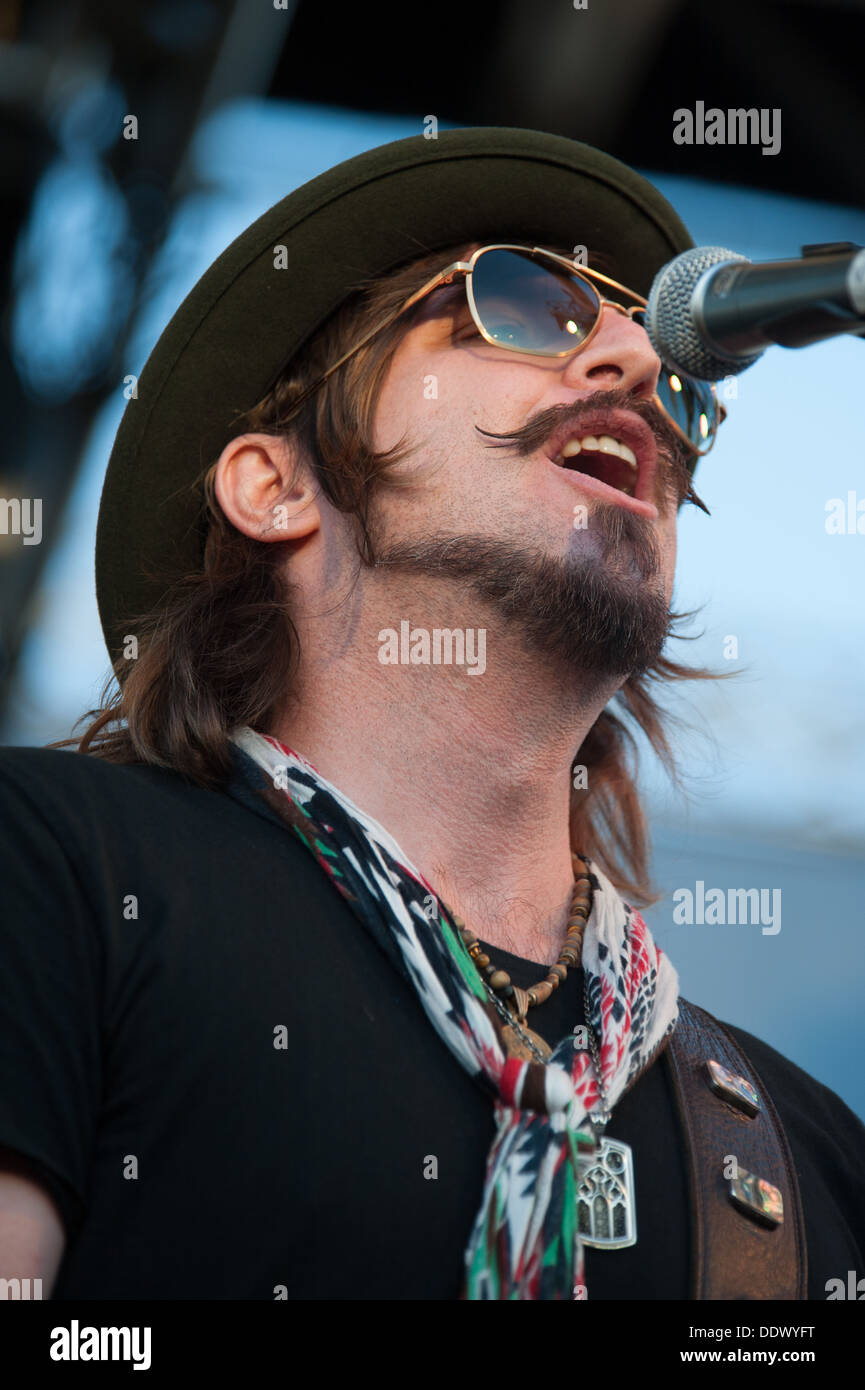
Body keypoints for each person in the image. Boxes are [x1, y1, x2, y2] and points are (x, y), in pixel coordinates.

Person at [1, 127, 863, 1302]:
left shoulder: (802, 1157)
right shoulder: (54, 880)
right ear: (275, 485)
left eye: (670, 371)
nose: (632, 358)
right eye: (522, 301)